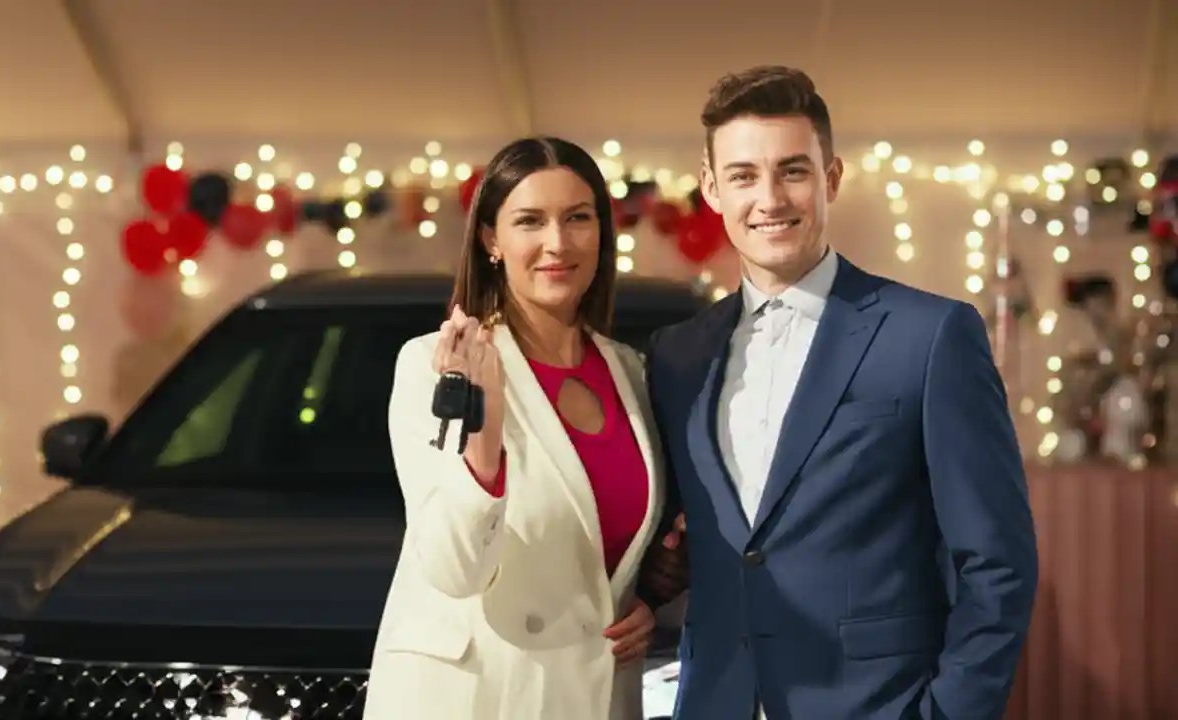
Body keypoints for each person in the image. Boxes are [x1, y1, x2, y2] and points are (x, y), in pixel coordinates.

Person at [640, 66, 1039, 719]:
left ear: (830, 178)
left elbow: (997, 561)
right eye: (743, 175)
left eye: (792, 170)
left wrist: (951, 711)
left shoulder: (931, 336)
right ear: (711, 188)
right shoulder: (679, 355)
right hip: (716, 700)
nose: (769, 198)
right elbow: (688, 536)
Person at [365, 137, 666, 720]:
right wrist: (484, 431)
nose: (558, 243)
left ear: (602, 233)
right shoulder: (434, 365)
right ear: (490, 240)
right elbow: (454, 568)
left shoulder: (631, 371)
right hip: (480, 699)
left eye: (578, 218)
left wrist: (647, 602)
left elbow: (612, 557)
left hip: (594, 698)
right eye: (530, 220)